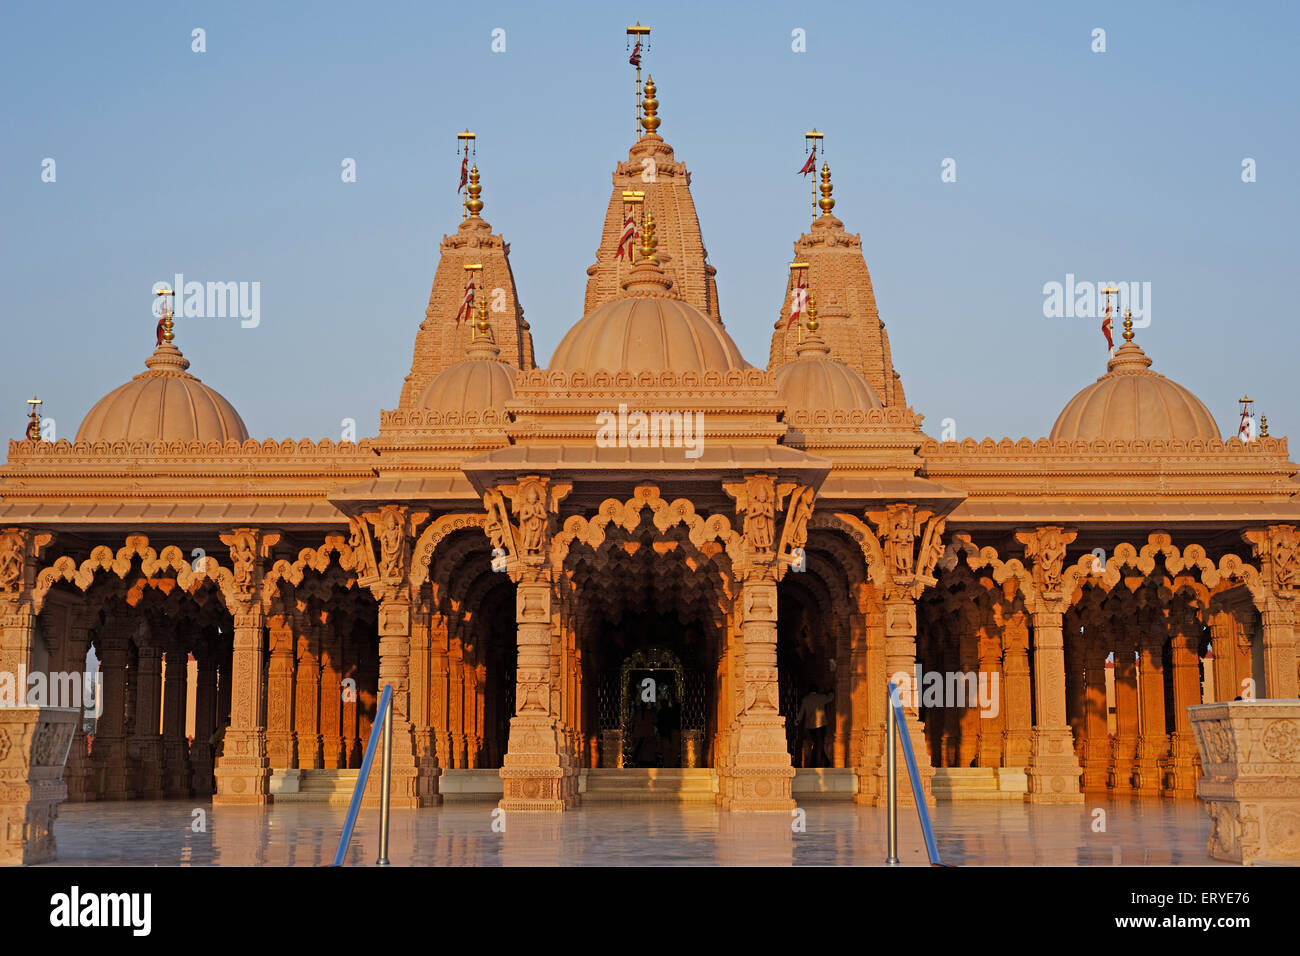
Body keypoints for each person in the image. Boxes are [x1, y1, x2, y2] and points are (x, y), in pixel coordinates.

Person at [796, 685, 835, 768]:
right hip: (821, 724)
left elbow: (802, 712)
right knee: (819, 744)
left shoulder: (805, 699)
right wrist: (831, 692)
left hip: (810, 725)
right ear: (817, 690)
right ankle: (817, 763)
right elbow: (830, 698)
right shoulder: (821, 697)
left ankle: (819, 762)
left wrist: (797, 720)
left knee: (817, 743)